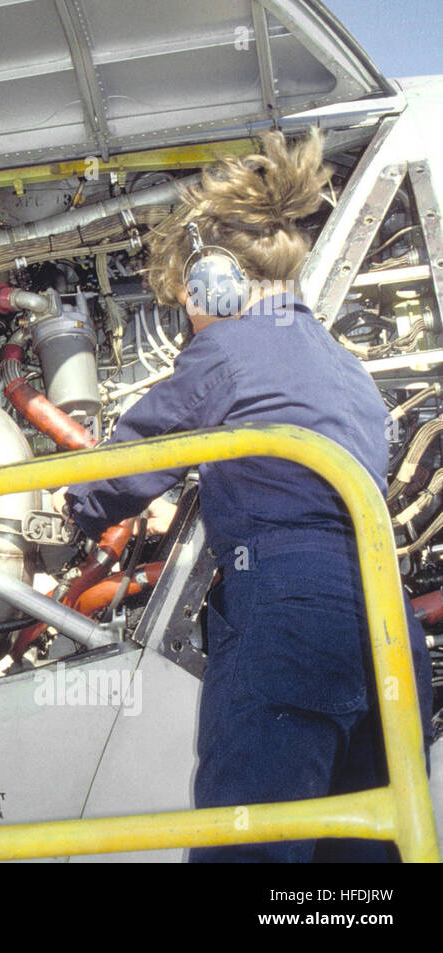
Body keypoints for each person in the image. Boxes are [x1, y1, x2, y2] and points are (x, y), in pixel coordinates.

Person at [52, 129, 433, 862]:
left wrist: (72, 509)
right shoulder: (348, 372)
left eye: (185, 299)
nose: (188, 317)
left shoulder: (227, 349)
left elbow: (137, 455)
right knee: (367, 857)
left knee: (250, 845)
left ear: (215, 281)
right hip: (390, 628)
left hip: (287, 614)